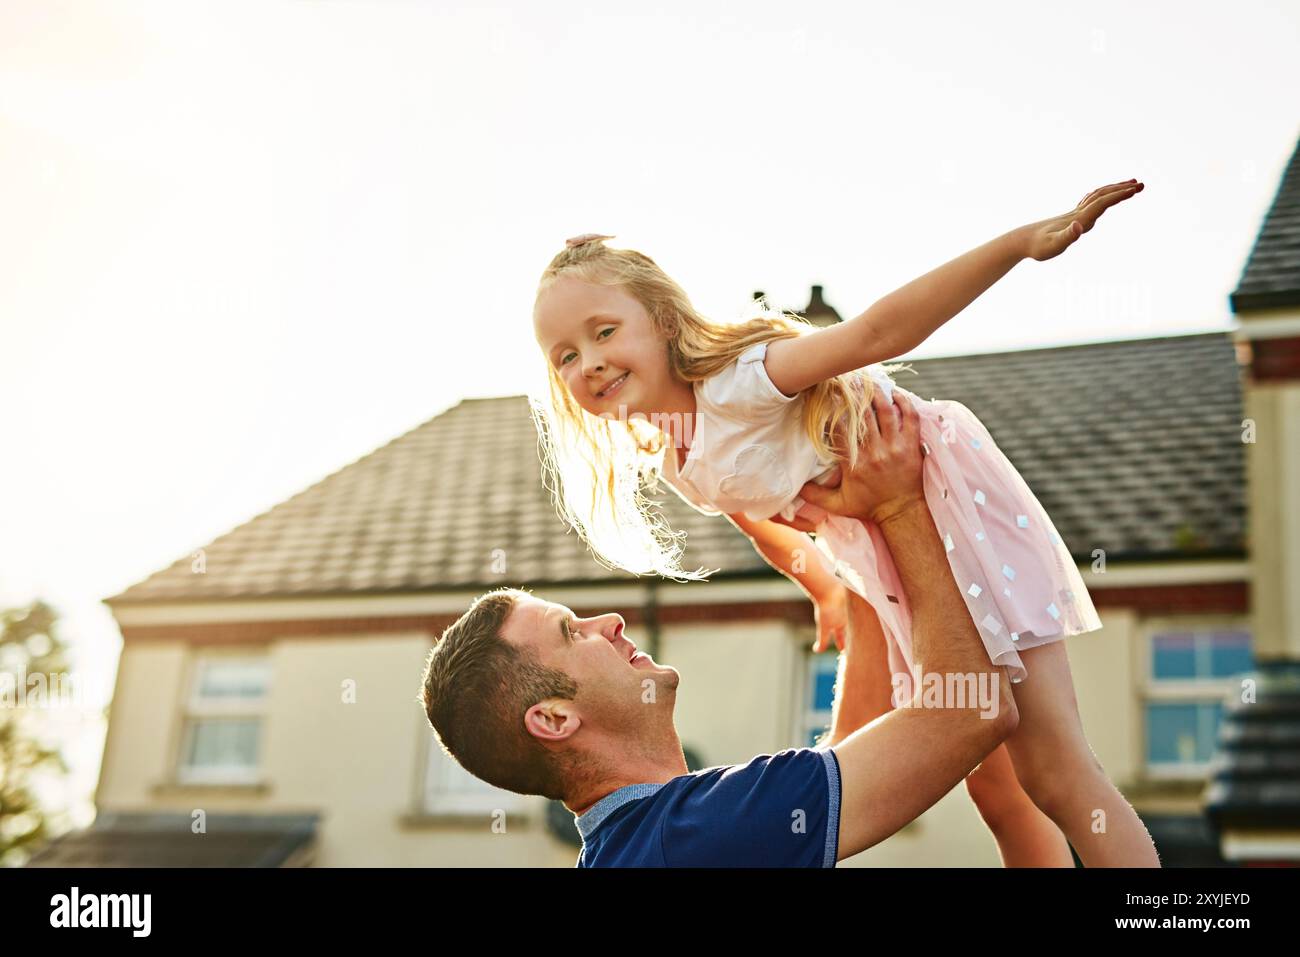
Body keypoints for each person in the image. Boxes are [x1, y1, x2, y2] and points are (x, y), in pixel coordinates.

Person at [529, 183, 1160, 866]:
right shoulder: (677, 454)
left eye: (603, 331)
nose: (587, 361)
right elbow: (752, 517)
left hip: (945, 510)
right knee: (997, 788)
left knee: (1053, 770)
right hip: (887, 555)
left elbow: (876, 333)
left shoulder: (744, 381)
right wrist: (825, 586)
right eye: (564, 355)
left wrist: (1016, 246)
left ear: (661, 319)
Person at [422, 391, 1021, 865]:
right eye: (571, 632)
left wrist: (852, 577)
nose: (609, 621)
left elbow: (846, 762)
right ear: (553, 718)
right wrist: (898, 508)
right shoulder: (694, 835)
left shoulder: (654, 842)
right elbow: (972, 712)